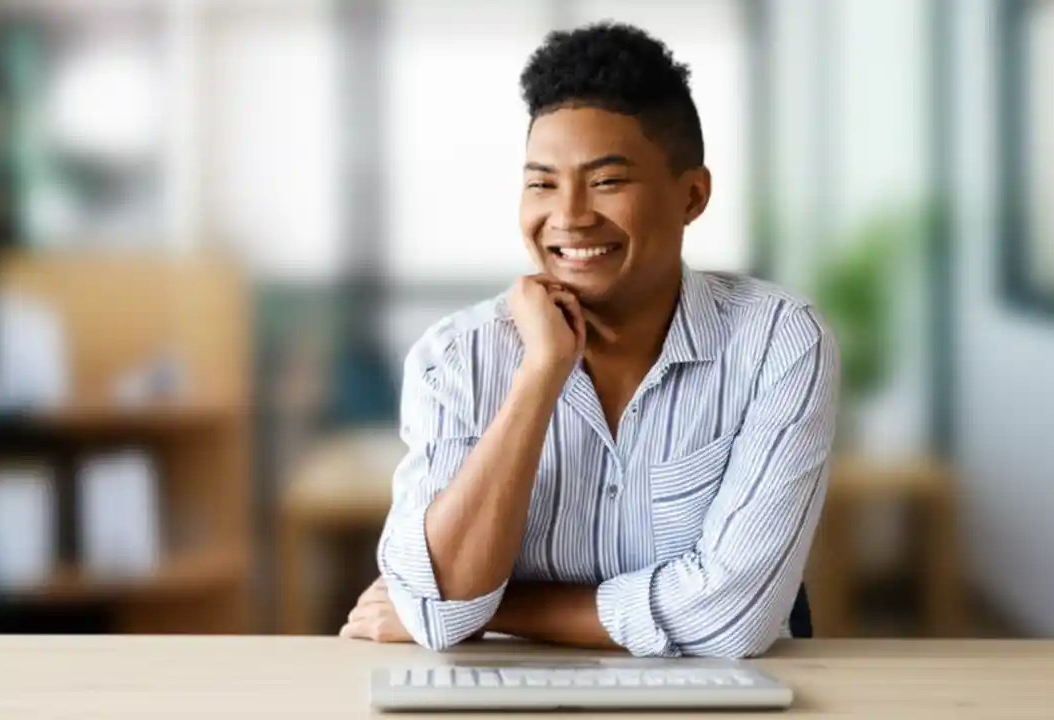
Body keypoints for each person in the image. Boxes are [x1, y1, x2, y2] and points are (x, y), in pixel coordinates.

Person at [339, 22, 839, 658]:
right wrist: (542, 373)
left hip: (713, 699)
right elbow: (438, 615)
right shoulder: (456, 358)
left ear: (692, 196)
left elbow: (731, 618)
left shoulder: (778, 342)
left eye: (607, 182)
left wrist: (497, 607)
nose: (569, 215)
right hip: (505, 694)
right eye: (542, 182)